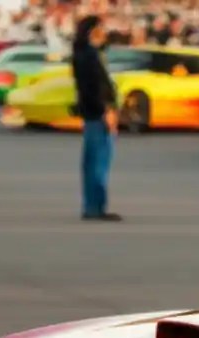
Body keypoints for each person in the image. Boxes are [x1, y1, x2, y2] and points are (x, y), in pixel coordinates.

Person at [72, 16, 120, 221]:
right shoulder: (89, 55)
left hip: (92, 112)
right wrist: (105, 110)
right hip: (97, 113)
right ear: (92, 30)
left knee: (92, 161)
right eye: (101, 27)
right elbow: (93, 88)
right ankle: (95, 207)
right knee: (98, 162)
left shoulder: (88, 53)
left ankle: (93, 205)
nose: (105, 31)